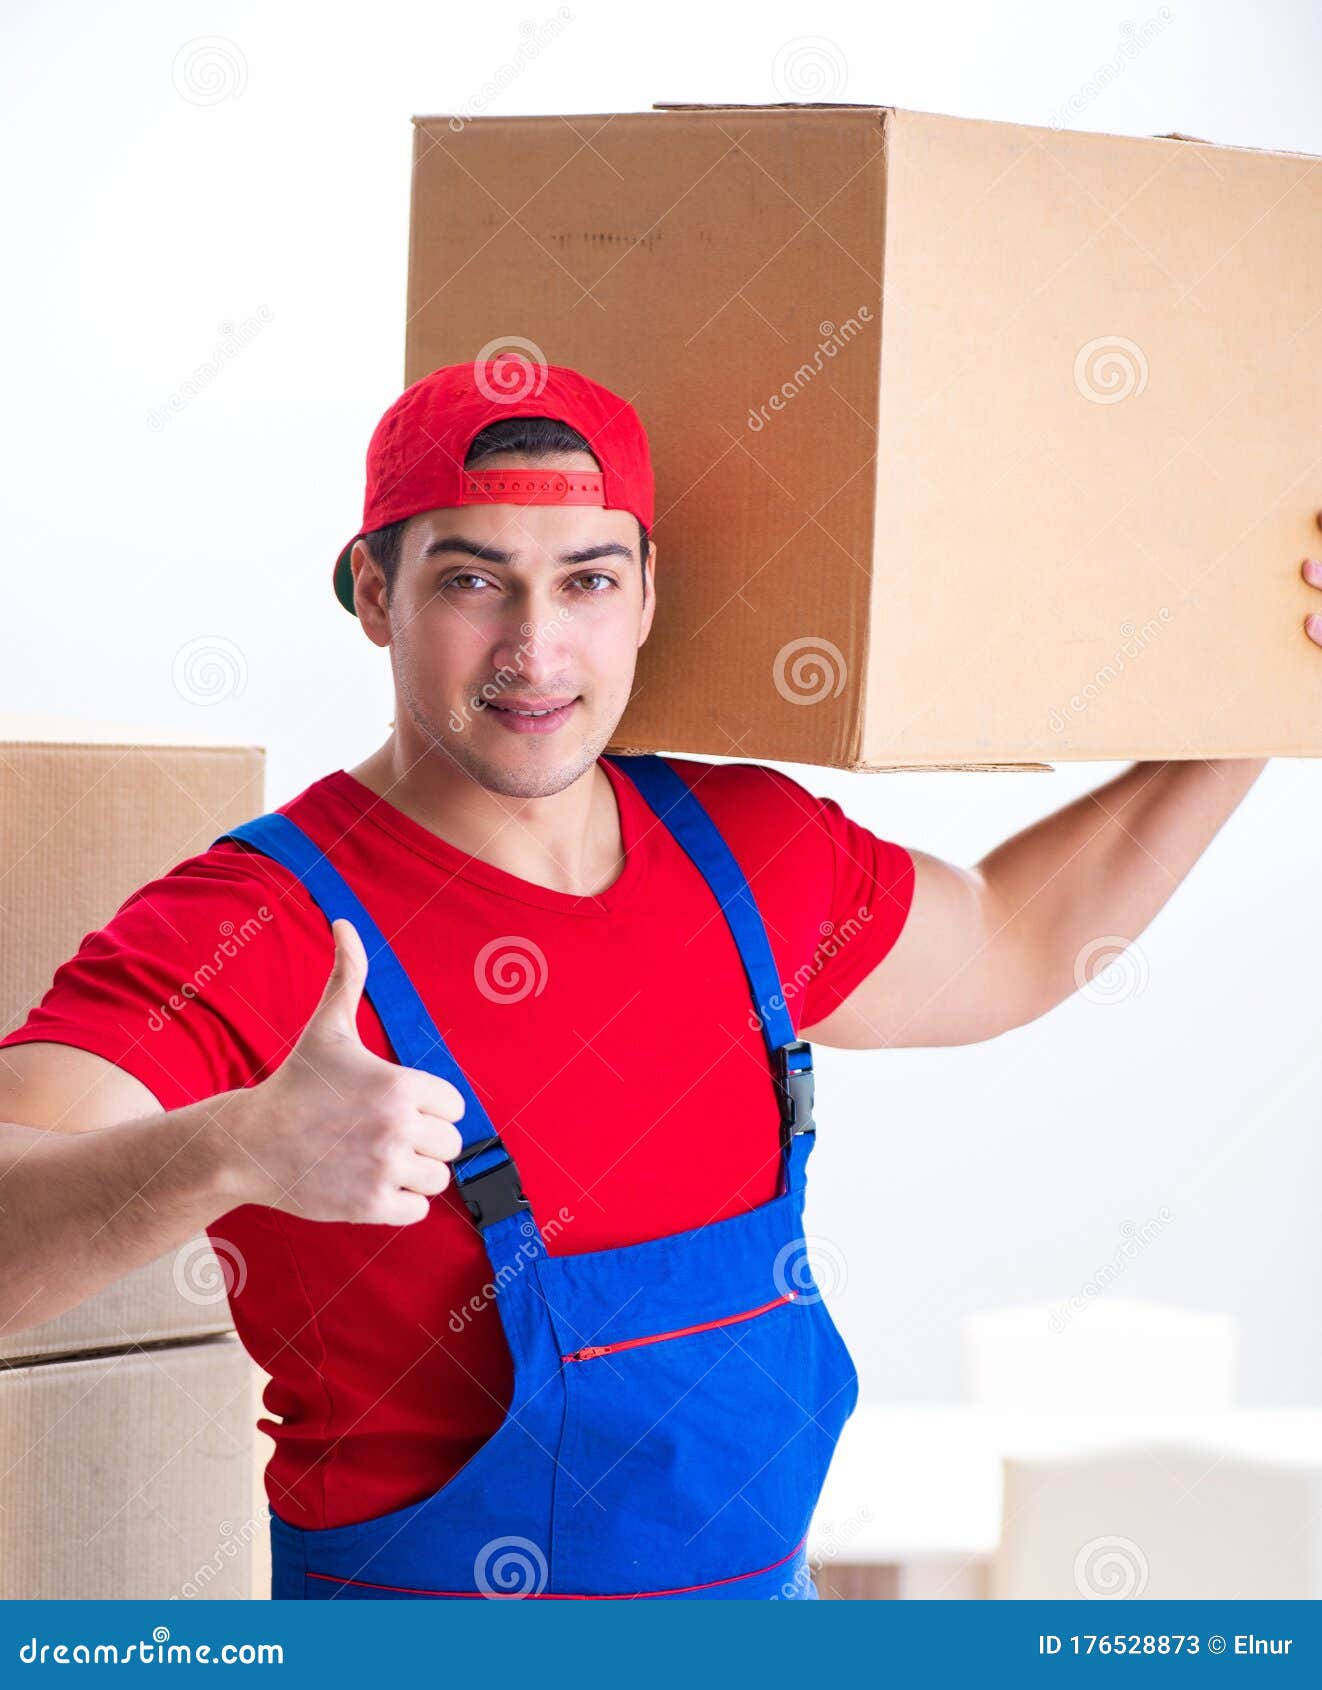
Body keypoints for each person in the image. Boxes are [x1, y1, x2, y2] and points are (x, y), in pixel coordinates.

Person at [2, 358, 1319, 1601]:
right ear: (371, 592)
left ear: (644, 595)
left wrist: (1275, 693)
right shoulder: (260, 927)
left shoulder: (745, 854)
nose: (535, 649)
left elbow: (1019, 938)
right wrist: (230, 1146)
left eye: (585, 580)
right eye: (472, 581)